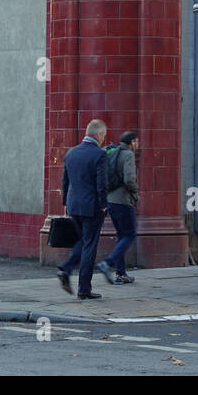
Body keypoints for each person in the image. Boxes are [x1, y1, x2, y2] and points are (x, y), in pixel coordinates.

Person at [57, 119, 110, 300]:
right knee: (89, 246)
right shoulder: (99, 155)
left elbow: (65, 181)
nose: (104, 139)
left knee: (82, 241)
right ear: (99, 134)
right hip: (92, 207)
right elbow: (101, 184)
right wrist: (104, 205)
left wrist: (65, 202)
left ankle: (66, 268)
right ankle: (84, 289)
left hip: (74, 205)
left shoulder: (71, 153)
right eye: (104, 135)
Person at [97, 130, 140, 286]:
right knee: (129, 235)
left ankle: (120, 273)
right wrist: (135, 194)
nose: (138, 144)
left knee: (121, 235)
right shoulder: (128, 154)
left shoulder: (109, 151)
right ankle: (108, 264)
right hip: (123, 200)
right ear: (131, 142)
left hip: (110, 200)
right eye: (136, 141)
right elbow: (129, 179)